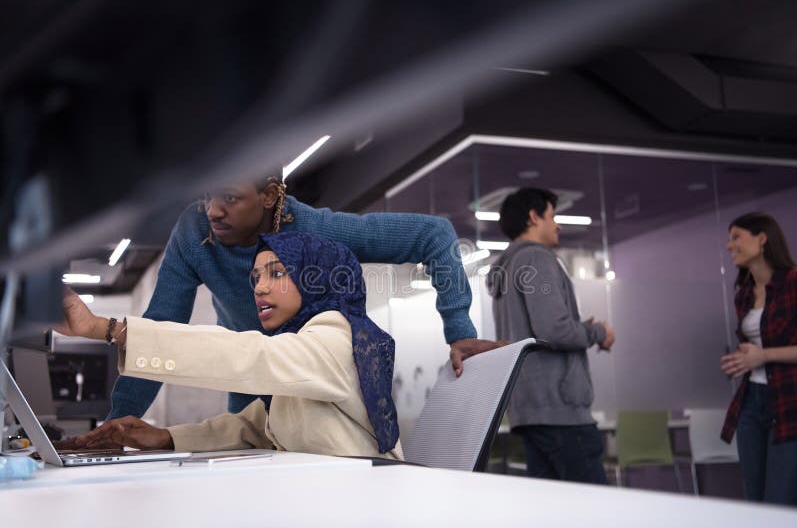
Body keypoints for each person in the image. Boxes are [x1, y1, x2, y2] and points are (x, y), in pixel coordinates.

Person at [109, 176, 503, 419]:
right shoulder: (194, 232)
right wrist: (118, 423)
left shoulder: (313, 230)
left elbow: (434, 235)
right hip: (248, 388)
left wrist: (459, 330)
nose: (212, 210)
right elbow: (161, 326)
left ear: (267, 196)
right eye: (207, 195)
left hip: (318, 390)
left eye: (229, 197)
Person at [57, 232, 402, 459]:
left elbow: (252, 357)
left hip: (364, 502)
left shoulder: (339, 335)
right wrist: (163, 437)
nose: (261, 288)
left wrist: (109, 328)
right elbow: (254, 427)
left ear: (317, 277)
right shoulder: (300, 348)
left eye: (277, 273)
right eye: (256, 278)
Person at [486, 188, 614, 484]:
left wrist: (577, 326)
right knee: (594, 512)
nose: (557, 225)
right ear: (534, 217)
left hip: (529, 413)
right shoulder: (535, 258)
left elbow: (541, 327)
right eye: (552, 216)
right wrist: (597, 332)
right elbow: (553, 330)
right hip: (560, 412)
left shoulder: (507, 269)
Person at [720, 212, 797, 506]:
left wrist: (762, 356)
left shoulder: (794, 282)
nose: (729, 246)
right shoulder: (743, 295)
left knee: (781, 502)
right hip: (751, 404)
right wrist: (741, 359)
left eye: (736, 237)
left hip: (790, 403)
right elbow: (755, 348)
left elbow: (765, 352)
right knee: (755, 503)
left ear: (762, 238)